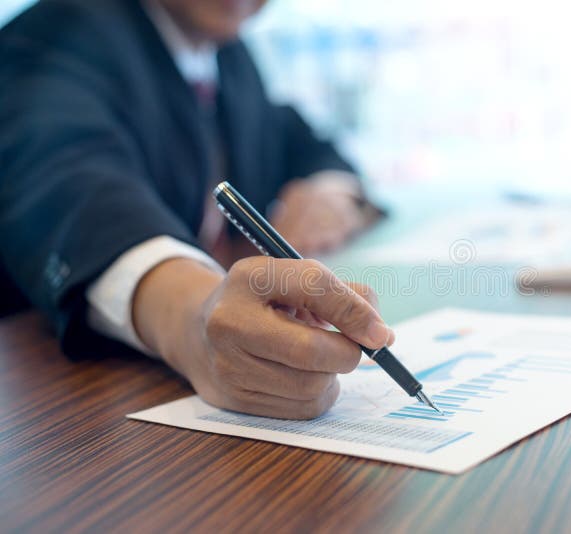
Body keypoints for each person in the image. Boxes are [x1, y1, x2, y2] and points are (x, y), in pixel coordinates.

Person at [0, 0, 394, 419]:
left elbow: (305, 145)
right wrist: (192, 318)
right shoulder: (57, 32)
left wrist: (330, 193)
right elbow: (68, 182)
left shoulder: (229, 54)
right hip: (48, 400)